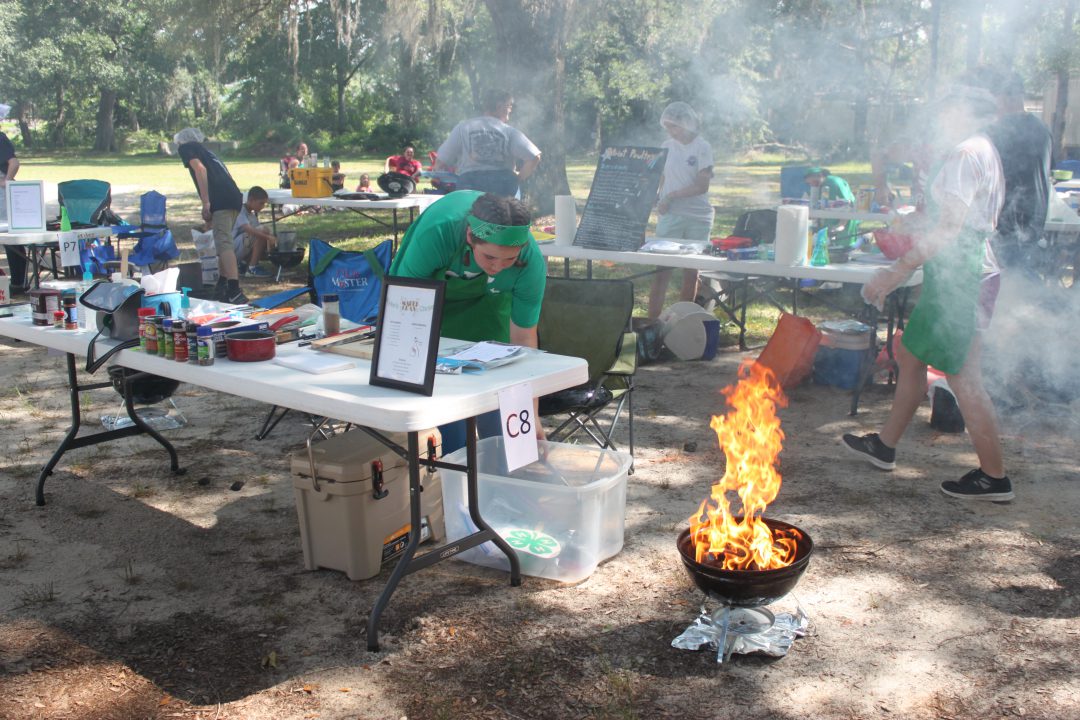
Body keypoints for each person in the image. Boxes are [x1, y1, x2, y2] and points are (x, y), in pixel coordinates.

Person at [842, 83, 1011, 502]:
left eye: (947, 110)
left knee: (963, 374)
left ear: (965, 112)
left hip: (964, 276)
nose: (940, 118)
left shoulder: (965, 154)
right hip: (953, 272)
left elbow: (951, 228)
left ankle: (994, 477)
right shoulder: (978, 148)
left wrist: (898, 269)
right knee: (911, 354)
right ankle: (885, 446)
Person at [388, 190, 546, 453]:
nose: (498, 267)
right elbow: (404, 309)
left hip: (489, 311)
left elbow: (524, 341)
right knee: (450, 429)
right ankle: (452, 472)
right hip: (428, 313)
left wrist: (530, 413)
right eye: (490, 257)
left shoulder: (530, 261)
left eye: (510, 259)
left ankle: (501, 475)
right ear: (470, 237)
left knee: (506, 427)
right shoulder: (438, 232)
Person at [970, 67, 1053, 270]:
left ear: (1004, 97)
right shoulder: (1043, 130)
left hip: (1005, 229)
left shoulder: (997, 132)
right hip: (1033, 226)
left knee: (1002, 283)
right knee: (1020, 281)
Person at [648, 102, 714, 319]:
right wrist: (658, 196)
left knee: (691, 272)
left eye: (674, 126)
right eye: (667, 126)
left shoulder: (702, 147)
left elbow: (702, 185)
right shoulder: (667, 146)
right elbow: (662, 176)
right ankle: (652, 322)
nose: (670, 131)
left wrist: (672, 196)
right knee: (662, 271)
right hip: (671, 215)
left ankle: (683, 321)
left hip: (698, 216)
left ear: (687, 123)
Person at [174, 127, 247, 304]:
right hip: (234, 198)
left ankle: (234, 289)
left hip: (221, 200)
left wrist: (206, 202)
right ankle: (222, 285)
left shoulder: (187, 148)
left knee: (224, 243)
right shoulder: (207, 152)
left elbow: (200, 170)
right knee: (222, 242)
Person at [435, 89, 541, 198]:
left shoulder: (463, 128)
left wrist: (440, 180)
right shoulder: (509, 132)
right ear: (499, 107)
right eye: (509, 106)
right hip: (502, 192)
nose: (510, 110)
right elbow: (534, 157)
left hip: (469, 191)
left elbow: (440, 161)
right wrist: (517, 179)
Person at [0, 105, 25, 289]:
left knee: (10, 237)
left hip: (2, 195)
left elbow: (14, 163)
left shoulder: (0, 138)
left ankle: (18, 282)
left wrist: (6, 181)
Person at [805, 166, 859, 246]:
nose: (813, 185)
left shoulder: (832, 183)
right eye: (810, 184)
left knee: (843, 245)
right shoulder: (819, 185)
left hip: (844, 218)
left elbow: (848, 205)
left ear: (820, 176)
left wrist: (841, 224)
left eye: (814, 182)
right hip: (830, 220)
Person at [232, 186, 276, 278]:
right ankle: (252, 268)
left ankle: (243, 264)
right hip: (231, 248)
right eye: (261, 203)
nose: (263, 206)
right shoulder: (240, 210)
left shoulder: (251, 216)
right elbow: (248, 229)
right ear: (251, 200)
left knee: (265, 232)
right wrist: (268, 237)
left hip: (239, 247)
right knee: (262, 232)